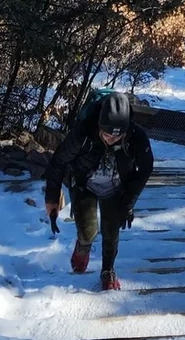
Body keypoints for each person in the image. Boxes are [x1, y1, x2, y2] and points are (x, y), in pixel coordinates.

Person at [43, 90, 153, 291]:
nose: (111, 139)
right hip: (85, 184)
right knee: (88, 231)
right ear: (99, 126)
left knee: (111, 230)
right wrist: (52, 198)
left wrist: (129, 201)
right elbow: (58, 162)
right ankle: (83, 245)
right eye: (107, 134)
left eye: (116, 137)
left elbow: (145, 169)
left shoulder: (136, 137)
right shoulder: (82, 133)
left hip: (116, 187)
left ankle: (108, 270)